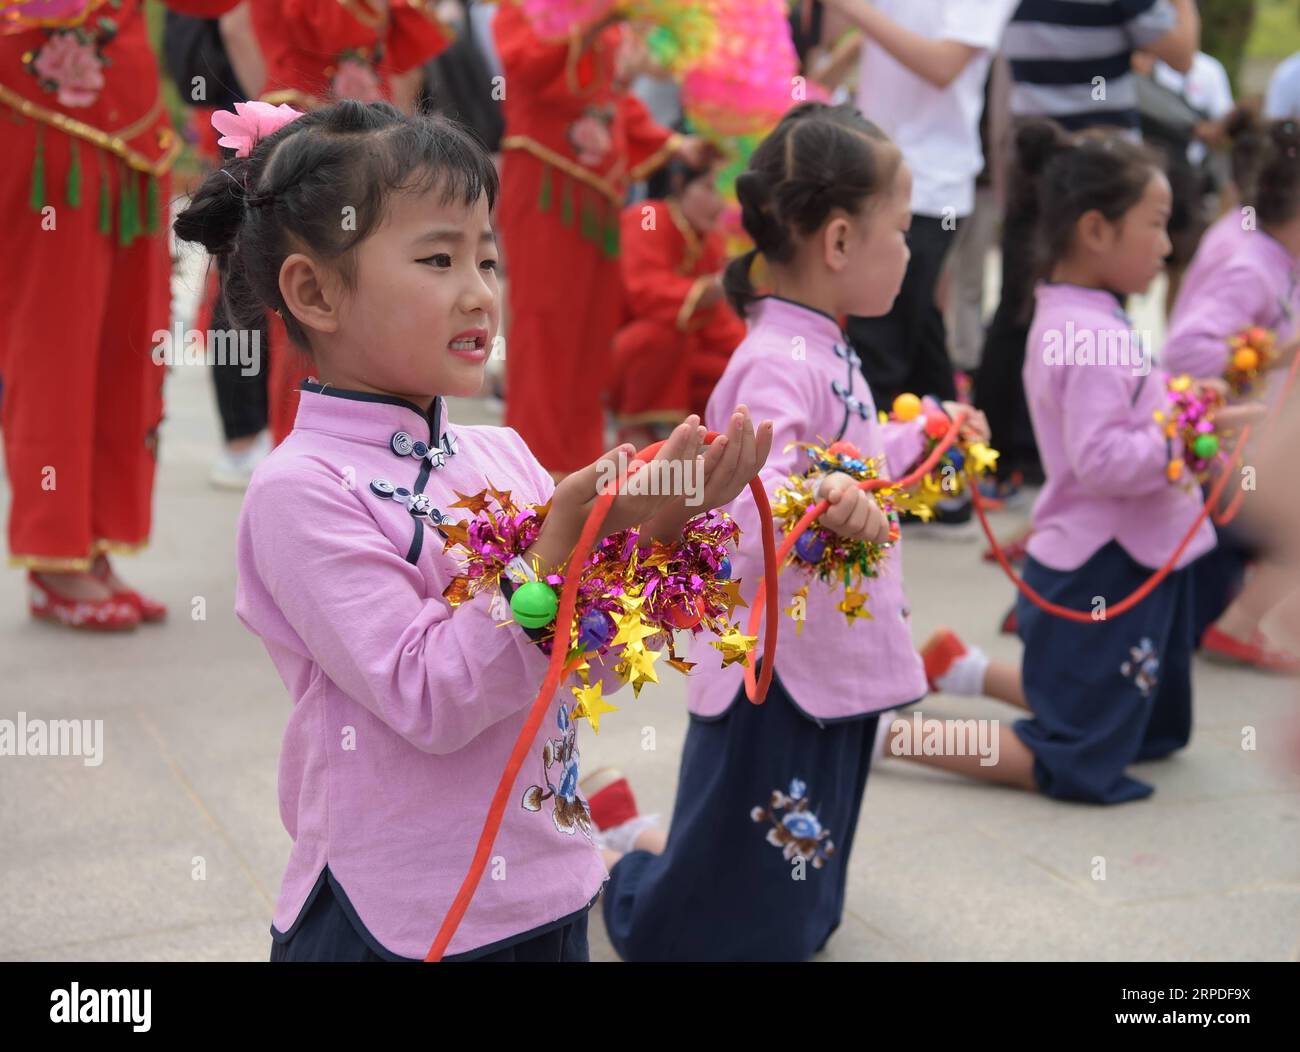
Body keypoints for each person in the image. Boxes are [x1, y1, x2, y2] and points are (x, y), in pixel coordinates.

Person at [173, 98, 768, 961]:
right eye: (438, 258)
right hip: (402, 914)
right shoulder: (299, 491)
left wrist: (653, 533)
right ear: (315, 291)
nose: (479, 292)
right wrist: (557, 548)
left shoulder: (501, 452)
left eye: (487, 258)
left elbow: (581, 655)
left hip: (546, 878)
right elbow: (429, 695)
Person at [594, 102, 987, 960]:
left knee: (793, 876)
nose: (912, 247)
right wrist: (822, 499)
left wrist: (931, 435)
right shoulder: (776, 358)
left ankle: (641, 847)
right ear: (840, 242)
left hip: (824, 655)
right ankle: (613, 862)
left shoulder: (826, 347)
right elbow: (743, 496)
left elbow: (860, 455)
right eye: (901, 227)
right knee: (709, 914)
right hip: (775, 667)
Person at [893, 121, 1260, 804]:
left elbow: (1120, 418)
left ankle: (962, 667)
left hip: (1132, 552)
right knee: (1075, 757)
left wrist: (1181, 405)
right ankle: (882, 734)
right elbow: (1101, 460)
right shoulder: (1088, 334)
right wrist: (1185, 433)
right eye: (1155, 225)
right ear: (1095, 231)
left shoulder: (1085, 316)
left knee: (1134, 715)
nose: (1168, 245)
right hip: (1106, 560)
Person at [0, 0, 241, 630]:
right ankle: (55, 559)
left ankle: (99, 542)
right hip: (42, 137)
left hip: (135, 144)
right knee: (55, 352)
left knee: (131, 356)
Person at [977, 0, 1200, 495]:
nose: (1162, 247)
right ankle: (1046, 458)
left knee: (1018, 315)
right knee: (1100, 336)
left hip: (1039, 176)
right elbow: (1182, 53)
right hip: (1110, 184)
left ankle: (1005, 460)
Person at [493, 5, 711, 476]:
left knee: (591, 333)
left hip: (598, 198)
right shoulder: (523, 10)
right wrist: (597, 19)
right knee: (545, 326)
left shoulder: (607, 22)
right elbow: (527, 70)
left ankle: (579, 464)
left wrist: (675, 145)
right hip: (547, 185)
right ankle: (533, 465)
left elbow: (609, 101)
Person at [825, 0, 1018, 427]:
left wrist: (853, 10)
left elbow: (943, 65)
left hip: (928, 190)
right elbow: (851, 34)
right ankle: (953, 462)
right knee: (917, 334)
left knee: (878, 341)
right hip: (871, 173)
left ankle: (859, 473)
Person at [1163, 113, 1300, 672]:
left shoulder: (1275, 259)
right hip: (1222, 455)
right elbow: (1184, 353)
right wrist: (1281, 353)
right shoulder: (1252, 267)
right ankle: (1237, 625)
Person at [609, 155, 744, 448]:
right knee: (661, 334)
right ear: (680, 183)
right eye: (709, 188)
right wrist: (702, 291)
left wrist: (751, 353)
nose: (719, 204)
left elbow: (716, 321)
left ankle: (693, 438)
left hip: (679, 352)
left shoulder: (711, 240)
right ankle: (637, 428)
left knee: (732, 369)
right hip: (616, 350)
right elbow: (644, 293)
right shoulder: (647, 216)